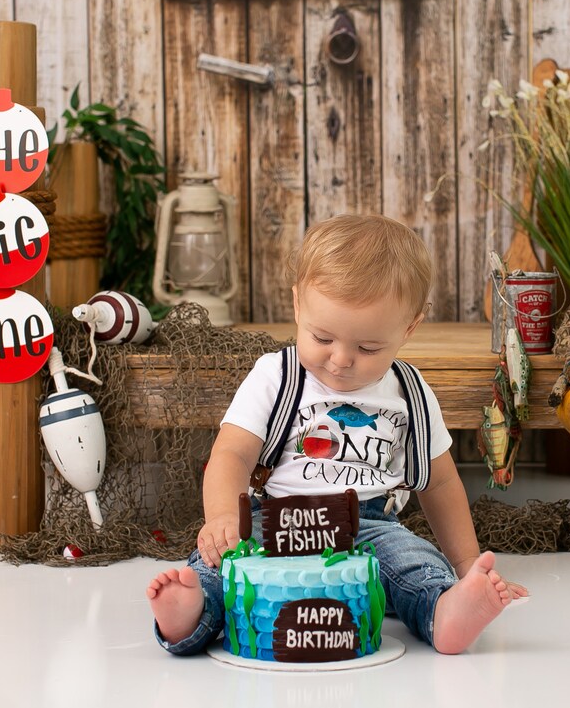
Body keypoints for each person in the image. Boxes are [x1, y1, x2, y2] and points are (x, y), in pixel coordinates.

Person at [146, 214, 527, 655]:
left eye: (368, 348)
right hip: (276, 517)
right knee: (223, 563)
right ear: (297, 307)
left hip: (368, 526)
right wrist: (222, 518)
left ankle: (445, 611)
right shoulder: (277, 375)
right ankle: (191, 611)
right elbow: (231, 454)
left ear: (408, 328)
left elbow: (440, 483)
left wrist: (466, 567)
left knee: (414, 563)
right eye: (322, 337)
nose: (342, 360)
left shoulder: (411, 393)